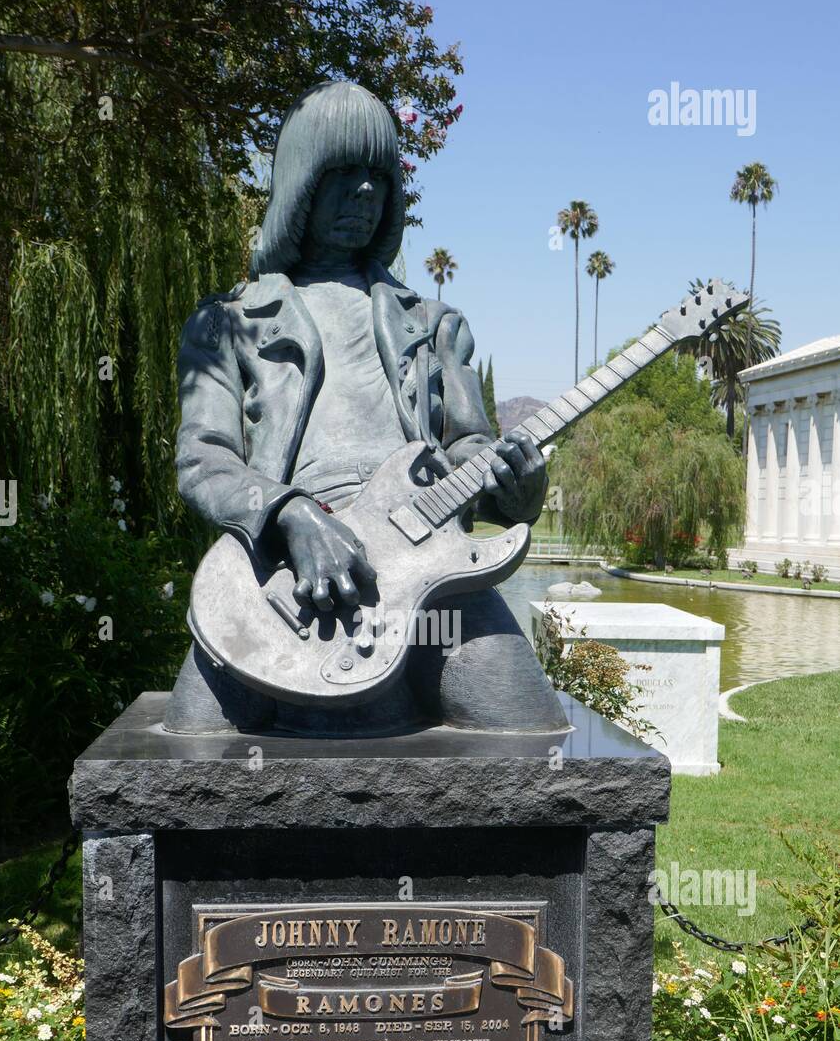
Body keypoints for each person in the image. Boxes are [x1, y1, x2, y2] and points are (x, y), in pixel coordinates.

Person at [164, 81, 566, 736]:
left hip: (425, 559)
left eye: (378, 176)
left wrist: (515, 484)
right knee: (197, 739)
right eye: (342, 174)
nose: (364, 194)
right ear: (302, 183)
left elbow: (469, 448)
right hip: (277, 577)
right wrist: (288, 513)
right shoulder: (226, 323)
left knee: (523, 721)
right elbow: (204, 459)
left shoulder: (435, 324)